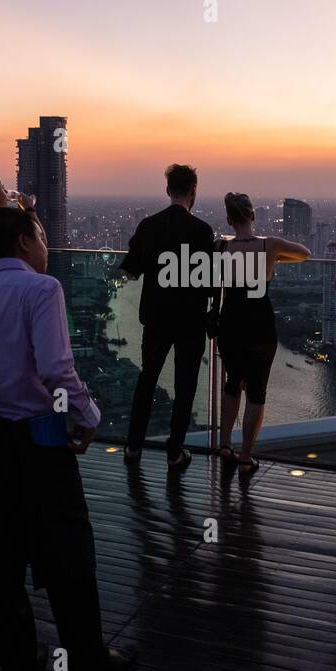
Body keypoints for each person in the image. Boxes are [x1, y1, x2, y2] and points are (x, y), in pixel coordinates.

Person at [0, 207, 136, 671]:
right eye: (43, 236)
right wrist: (89, 415)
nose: (47, 246)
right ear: (26, 240)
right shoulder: (42, 289)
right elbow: (55, 368)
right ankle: (88, 662)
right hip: (38, 438)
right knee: (67, 550)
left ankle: (18, 653)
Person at [120, 164, 215, 473]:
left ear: (167, 190)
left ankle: (133, 447)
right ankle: (174, 452)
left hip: (157, 318)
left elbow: (131, 270)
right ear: (193, 191)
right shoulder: (202, 231)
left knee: (147, 380)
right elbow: (211, 282)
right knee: (185, 386)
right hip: (190, 319)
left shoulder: (148, 226)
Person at [211, 192, 310, 475]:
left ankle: (225, 444)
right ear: (253, 216)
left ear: (229, 220)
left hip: (230, 324)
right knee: (257, 392)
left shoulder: (219, 247)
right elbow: (305, 254)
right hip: (260, 325)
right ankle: (245, 457)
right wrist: (276, 259)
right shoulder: (270, 246)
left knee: (233, 384)